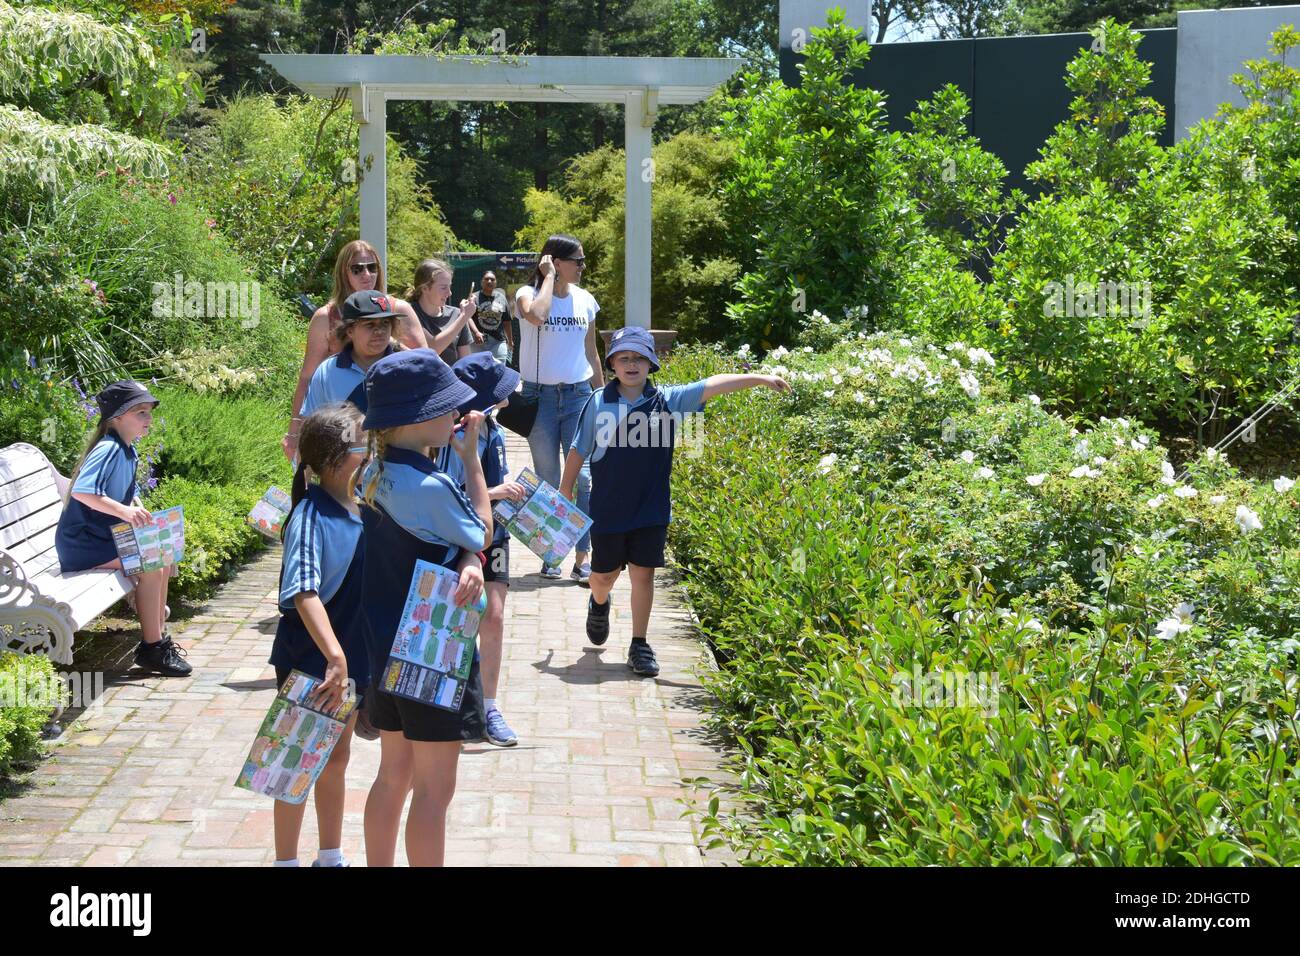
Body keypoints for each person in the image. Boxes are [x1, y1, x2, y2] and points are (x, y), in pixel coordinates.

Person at [560, 326, 789, 677]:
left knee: (643, 574)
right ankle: (599, 601)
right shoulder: (599, 402)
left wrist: (760, 378)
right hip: (607, 508)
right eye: (624, 358)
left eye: (639, 357)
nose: (631, 364)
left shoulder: (669, 400)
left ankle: (639, 643)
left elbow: (713, 384)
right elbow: (578, 449)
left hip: (651, 508)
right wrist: (565, 491)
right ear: (611, 364)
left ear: (651, 363)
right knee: (603, 577)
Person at [353, 351, 494, 867]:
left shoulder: (370, 472)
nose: (457, 416)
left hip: (384, 650)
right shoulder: (432, 486)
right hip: (432, 657)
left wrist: (464, 558)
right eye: (447, 408)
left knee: (393, 777)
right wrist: (473, 459)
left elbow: (448, 544)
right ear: (416, 419)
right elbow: (481, 530)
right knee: (434, 794)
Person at [269, 403, 369, 868]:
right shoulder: (311, 514)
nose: (369, 449)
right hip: (313, 657)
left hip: (345, 654)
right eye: (360, 443)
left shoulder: (363, 503)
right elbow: (303, 591)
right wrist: (333, 655)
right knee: (294, 763)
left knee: (336, 756)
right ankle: (286, 861)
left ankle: (330, 856)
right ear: (334, 459)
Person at [54, 381, 190, 677]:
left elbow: (120, 498)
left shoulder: (126, 450)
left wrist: (136, 513)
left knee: (163, 555)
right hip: (83, 544)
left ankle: (157, 634)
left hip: (101, 539)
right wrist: (126, 512)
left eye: (149, 412)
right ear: (116, 417)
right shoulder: (108, 449)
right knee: (152, 565)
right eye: (140, 412)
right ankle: (153, 646)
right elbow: (83, 492)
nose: (148, 419)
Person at [436, 353, 524, 747]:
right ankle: (451, 703)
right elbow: (444, 496)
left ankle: (489, 706)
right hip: (461, 538)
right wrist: (494, 492)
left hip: (497, 534)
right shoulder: (450, 436)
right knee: (458, 619)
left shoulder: (495, 428)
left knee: (494, 617)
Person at [284, 240, 427, 462]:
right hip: (340, 426)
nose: (367, 274)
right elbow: (308, 377)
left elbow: (425, 365)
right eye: (357, 268)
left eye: (372, 267)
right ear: (344, 272)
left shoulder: (398, 309)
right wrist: (295, 432)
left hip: (392, 424)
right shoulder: (327, 317)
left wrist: (390, 343)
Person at [515, 234, 603, 584]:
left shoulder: (586, 300)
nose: (583, 267)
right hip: (541, 399)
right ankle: (552, 553)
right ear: (554, 261)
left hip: (579, 393)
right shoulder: (527, 294)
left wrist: (603, 396)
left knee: (583, 478)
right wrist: (547, 277)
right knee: (549, 480)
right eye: (577, 261)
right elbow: (536, 317)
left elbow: (592, 351)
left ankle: (583, 558)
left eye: (582, 261)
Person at [300, 290, 401, 418]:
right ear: (350, 331)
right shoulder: (328, 372)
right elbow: (311, 424)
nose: (379, 331)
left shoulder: (403, 369)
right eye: (370, 324)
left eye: (385, 323)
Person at [407, 259, 477, 367]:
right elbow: (431, 349)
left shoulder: (456, 314)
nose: (449, 293)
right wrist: (464, 317)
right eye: (444, 287)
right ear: (425, 288)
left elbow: (466, 362)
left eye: (449, 286)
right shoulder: (409, 313)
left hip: (453, 382)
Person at [468, 270, 513, 363]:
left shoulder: (501, 298)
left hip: (498, 341)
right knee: (478, 371)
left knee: (499, 370)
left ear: (496, 282)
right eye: (486, 279)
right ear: (482, 282)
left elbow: (507, 322)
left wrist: (510, 340)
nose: (489, 281)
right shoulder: (474, 297)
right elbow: (467, 317)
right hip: (478, 342)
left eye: (492, 279)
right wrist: (476, 332)